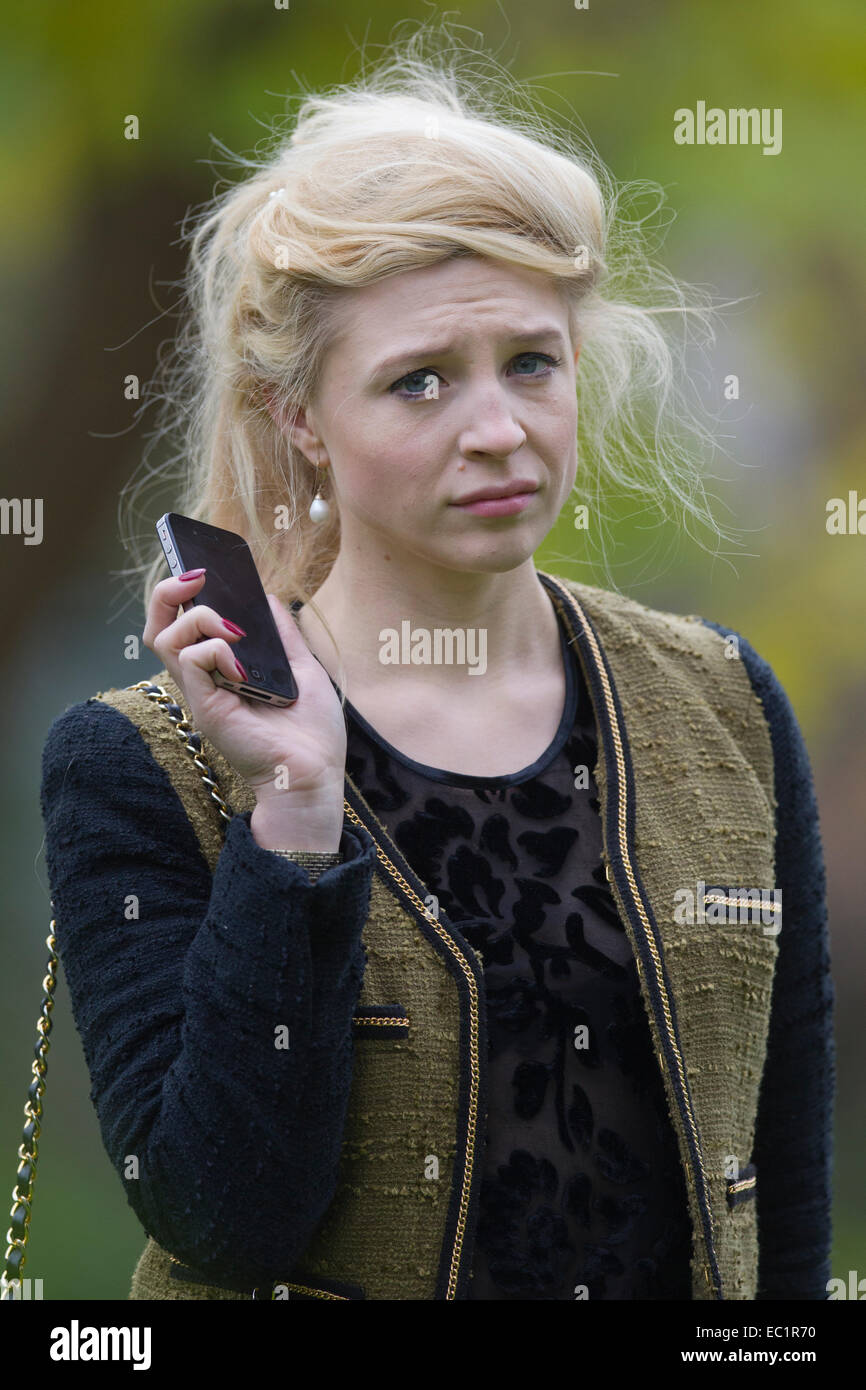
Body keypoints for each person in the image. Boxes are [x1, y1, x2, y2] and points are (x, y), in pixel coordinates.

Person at [39, 27, 834, 1301]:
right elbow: (224, 1218)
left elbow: (781, 1202)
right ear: (299, 417)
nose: (496, 429)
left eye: (529, 362)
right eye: (418, 382)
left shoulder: (723, 705)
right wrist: (292, 818)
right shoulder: (144, 760)